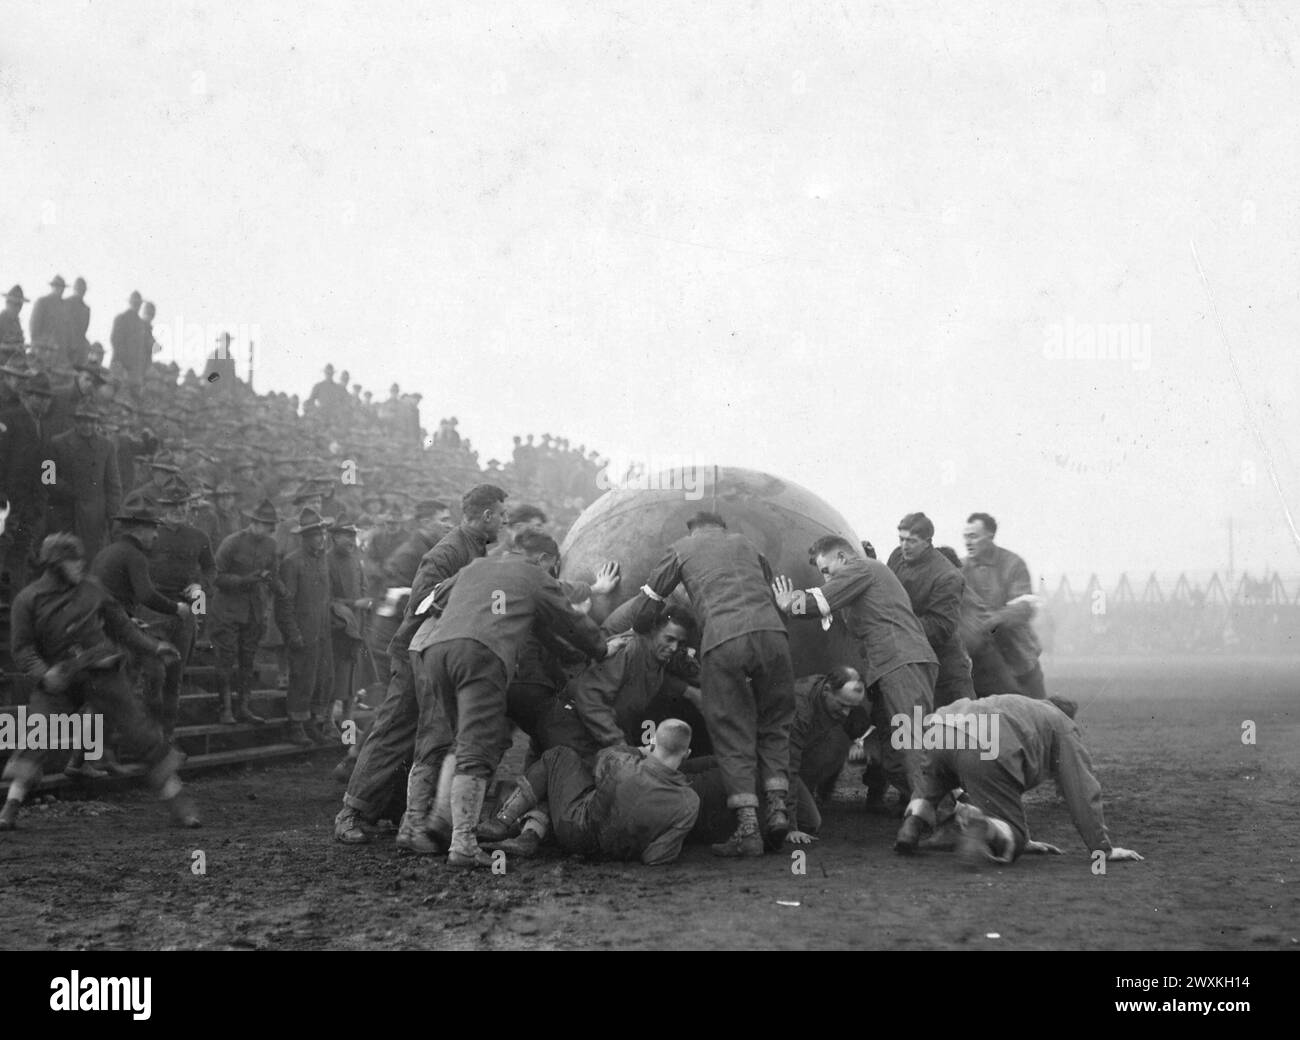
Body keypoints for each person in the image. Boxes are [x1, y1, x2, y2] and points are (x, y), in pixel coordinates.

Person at [409, 529, 613, 868]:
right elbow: (569, 619)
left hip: (436, 651)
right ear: (544, 559)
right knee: (478, 747)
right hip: (481, 654)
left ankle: (441, 822)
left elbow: (433, 600)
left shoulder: (474, 567)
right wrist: (601, 648)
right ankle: (462, 845)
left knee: (462, 741)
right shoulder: (533, 575)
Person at [1, 534, 199, 832]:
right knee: (37, 734)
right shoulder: (28, 600)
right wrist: (43, 673)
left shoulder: (93, 589)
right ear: (54, 565)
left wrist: (153, 646)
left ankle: (180, 805)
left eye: (81, 559)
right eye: (72, 561)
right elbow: (22, 650)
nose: (80, 565)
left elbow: (122, 627)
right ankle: (11, 807)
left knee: (141, 734)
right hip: (59, 678)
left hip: (103, 671)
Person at [633, 510, 796, 857]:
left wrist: (639, 631)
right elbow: (770, 593)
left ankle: (749, 829)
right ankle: (779, 807)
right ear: (723, 527)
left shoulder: (681, 548)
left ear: (692, 529)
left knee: (731, 728)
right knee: (775, 722)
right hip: (773, 637)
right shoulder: (747, 545)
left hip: (724, 640)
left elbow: (646, 609)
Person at [772, 534, 937, 814]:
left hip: (900, 661)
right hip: (891, 665)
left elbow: (821, 602)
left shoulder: (861, 568)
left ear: (842, 558)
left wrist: (789, 603)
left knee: (912, 742)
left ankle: (944, 816)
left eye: (826, 570)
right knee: (896, 751)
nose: (826, 578)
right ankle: (941, 810)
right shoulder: (867, 576)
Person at [894, 694, 1143, 867]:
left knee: (932, 789)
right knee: (1015, 836)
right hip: (984, 745)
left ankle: (913, 824)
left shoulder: (1021, 706)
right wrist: (1101, 849)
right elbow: (1080, 789)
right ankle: (986, 829)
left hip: (942, 728)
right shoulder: (1062, 724)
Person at [479, 720, 701, 865]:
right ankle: (530, 835)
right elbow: (655, 857)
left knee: (558, 757)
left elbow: (600, 760)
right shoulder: (689, 802)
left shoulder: (622, 764)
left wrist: (640, 751)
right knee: (560, 787)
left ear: (653, 742)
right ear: (687, 753)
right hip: (615, 855)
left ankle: (503, 821)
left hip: (576, 833)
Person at [141, 478, 214, 740]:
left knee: (175, 678)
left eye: (182, 504)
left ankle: (166, 738)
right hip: (153, 611)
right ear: (162, 506)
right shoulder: (150, 533)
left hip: (184, 614)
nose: (178, 509)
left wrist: (199, 585)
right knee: (154, 675)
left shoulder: (198, 537)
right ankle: (149, 739)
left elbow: (210, 568)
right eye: (172, 504)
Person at [887, 512, 974, 708]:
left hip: (944, 665)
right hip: (910, 657)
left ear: (928, 541)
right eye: (901, 539)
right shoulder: (896, 556)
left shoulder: (947, 575)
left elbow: (940, 626)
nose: (904, 546)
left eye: (912, 541)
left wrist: (896, 625)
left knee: (964, 723)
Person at [210, 499, 281, 726]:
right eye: (264, 524)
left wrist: (274, 586)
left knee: (247, 661)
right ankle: (225, 709)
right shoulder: (232, 542)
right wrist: (243, 581)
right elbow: (216, 576)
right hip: (228, 610)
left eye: (271, 526)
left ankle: (243, 707)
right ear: (253, 522)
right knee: (226, 660)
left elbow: (273, 574)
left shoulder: (270, 545)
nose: (268, 529)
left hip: (254, 612)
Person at [962, 513, 1046, 699]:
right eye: (966, 537)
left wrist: (993, 620)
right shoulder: (961, 569)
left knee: (1039, 713)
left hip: (1018, 657)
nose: (968, 542)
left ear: (991, 536)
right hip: (980, 662)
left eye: (974, 536)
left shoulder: (1013, 564)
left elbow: (1024, 606)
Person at [784, 666, 868, 843]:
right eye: (842, 705)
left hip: (800, 753)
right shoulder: (800, 709)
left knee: (837, 745)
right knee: (806, 823)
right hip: (772, 763)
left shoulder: (834, 695)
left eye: (851, 707)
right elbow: (788, 765)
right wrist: (791, 827)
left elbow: (863, 726)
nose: (846, 713)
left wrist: (863, 745)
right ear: (827, 690)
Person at [276, 507, 335, 745]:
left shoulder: (323, 561)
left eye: (321, 534)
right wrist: (293, 634)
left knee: (321, 678)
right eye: (314, 535)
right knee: (302, 678)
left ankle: (311, 721)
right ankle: (296, 725)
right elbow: (284, 604)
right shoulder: (292, 563)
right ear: (304, 537)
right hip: (302, 632)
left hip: (322, 631)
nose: (320, 539)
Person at [45, 404, 123, 561]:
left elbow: (113, 485)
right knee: (61, 559)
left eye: (91, 421)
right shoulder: (57, 442)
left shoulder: (106, 446)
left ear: (97, 423)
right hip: (64, 512)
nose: (87, 425)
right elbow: (47, 477)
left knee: (88, 560)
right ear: (75, 421)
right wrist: (68, 490)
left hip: (93, 517)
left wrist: (112, 516)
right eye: (82, 421)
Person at [0, 373, 55, 595]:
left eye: (46, 397)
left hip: (31, 505)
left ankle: (14, 601)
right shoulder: (8, 420)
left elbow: (49, 466)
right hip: (7, 502)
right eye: (37, 396)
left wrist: (45, 496)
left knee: (21, 551)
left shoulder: (47, 428)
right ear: (26, 395)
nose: (42, 401)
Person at [327, 513, 370, 733]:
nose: (350, 541)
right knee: (336, 673)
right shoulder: (327, 560)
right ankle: (328, 722)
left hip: (357, 625)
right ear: (334, 537)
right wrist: (354, 603)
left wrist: (365, 602)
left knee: (354, 675)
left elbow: (363, 586)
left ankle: (348, 721)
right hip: (337, 625)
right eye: (345, 535)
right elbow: (326, 597)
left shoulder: (355, 560)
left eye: (352, 536)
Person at [382, 499, 452, 587]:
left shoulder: (437, 549)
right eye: (444, 520)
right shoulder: (408, 555)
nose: (450, 525)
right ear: (426, 523)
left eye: (449, 520)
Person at [29, 276, 68, 354]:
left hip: (57, 351)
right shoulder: (42, 302)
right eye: (57, 286)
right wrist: (39, 344)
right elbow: (33, 327)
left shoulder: (64, 306)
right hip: (42, 349)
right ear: (52, 287)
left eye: (62, 287)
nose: (60, 290)